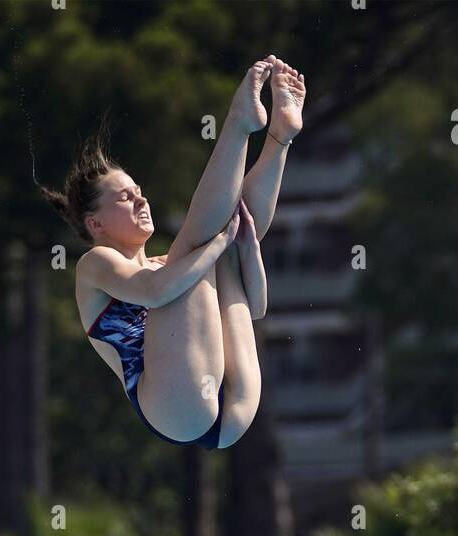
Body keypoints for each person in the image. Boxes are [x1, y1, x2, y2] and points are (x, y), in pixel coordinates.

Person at [41, 57, 306, 450]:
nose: (141, 200)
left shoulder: (173, 264)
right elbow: (155, 292)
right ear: (95, 224)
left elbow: (255, 307)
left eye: (138, 191)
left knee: (226, 238)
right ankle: (237, 124)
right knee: (203, 245)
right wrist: (218, 245)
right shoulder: (95, 264)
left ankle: (279, 138)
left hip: (234, 403)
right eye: (124, 198)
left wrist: (247, 249)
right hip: (176, 408)